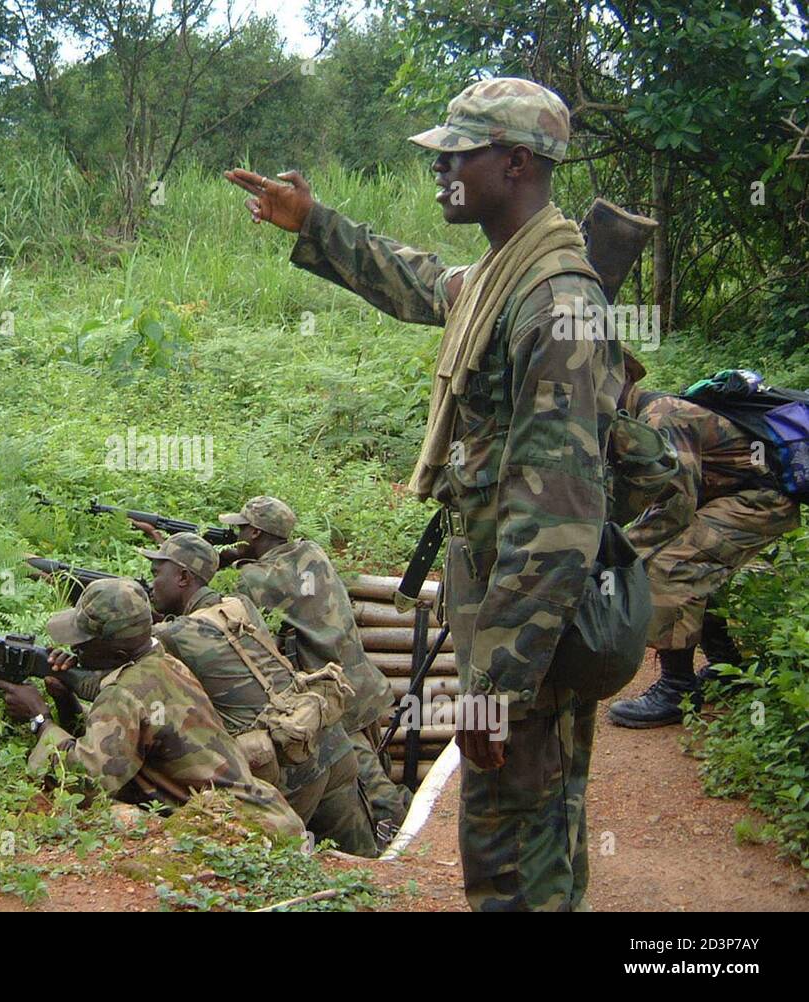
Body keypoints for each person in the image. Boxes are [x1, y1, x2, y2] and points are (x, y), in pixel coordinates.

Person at [225, 78, 624, 911]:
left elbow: (560, 520)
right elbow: (419, 284)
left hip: (533, 631)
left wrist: (495, 689)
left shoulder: (556, 303)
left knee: (522, 850)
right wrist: (318, 225)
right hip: (502, 608)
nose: (441, 165)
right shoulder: (501, 276)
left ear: (517, 162)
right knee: (505, 837)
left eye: (459, 150)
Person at [0, 577, 305, 840]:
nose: (73, 647)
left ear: (117, 650)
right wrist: (65, 695)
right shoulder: (163, 663)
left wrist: (39, 719)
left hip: (235, 831)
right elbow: (124, 736)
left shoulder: (125, 694)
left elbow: (86, 782)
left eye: (82, 641)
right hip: (265, 811)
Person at [142, 532, 380, 855]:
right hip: (329, 742)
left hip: (289, 766)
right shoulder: (241, 606)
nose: (150, 582)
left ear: (183, 577)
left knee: (277, 873)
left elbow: (129, 659)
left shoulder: (177, 635)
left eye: (157, 573)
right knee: (361, 866)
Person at [608, 365, 802, 727]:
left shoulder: (659, 415)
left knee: (672, 566)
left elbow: (676, 504)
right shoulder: (637, 418)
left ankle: (677, 690)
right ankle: (728, 665)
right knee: (694, 561)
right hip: (739, 494)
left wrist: (622, 550)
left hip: (761, 498)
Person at [215, 496, 409, 839]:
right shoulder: (312, 552)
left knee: (368, 776)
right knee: (373, 761)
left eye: (242, 528)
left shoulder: (254, 579)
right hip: (359, 680)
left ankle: (394, 832)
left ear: (256, 533)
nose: (236, 532)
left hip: (330, 691)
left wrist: (224, 561)